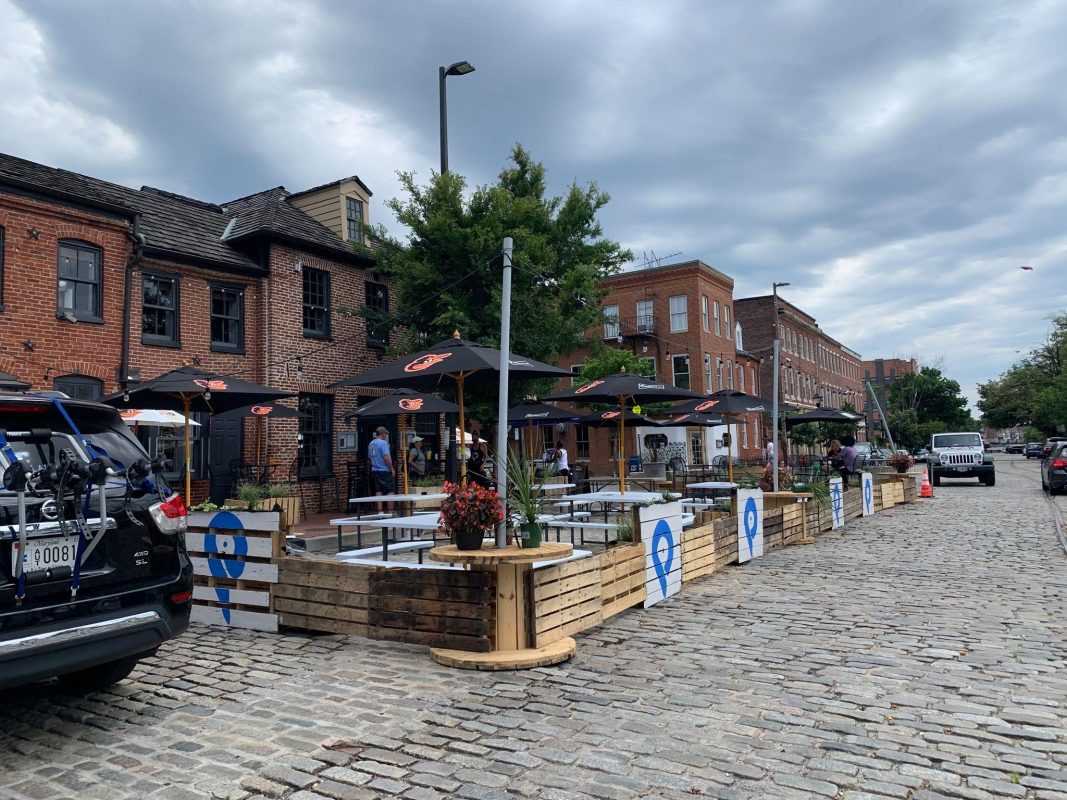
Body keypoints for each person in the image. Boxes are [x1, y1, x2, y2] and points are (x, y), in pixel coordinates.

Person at [368, 426, 396, 513]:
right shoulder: (383, 443)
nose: (386, 435)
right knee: (390, 490)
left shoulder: (371, 444)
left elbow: (369, 458)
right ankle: (390, 512)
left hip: (374, 470)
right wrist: (392, 469)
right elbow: (386, 457)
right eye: (386, 433)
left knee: (378, 490)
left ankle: (379, 512)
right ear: (382, 433)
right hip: (384, 470)